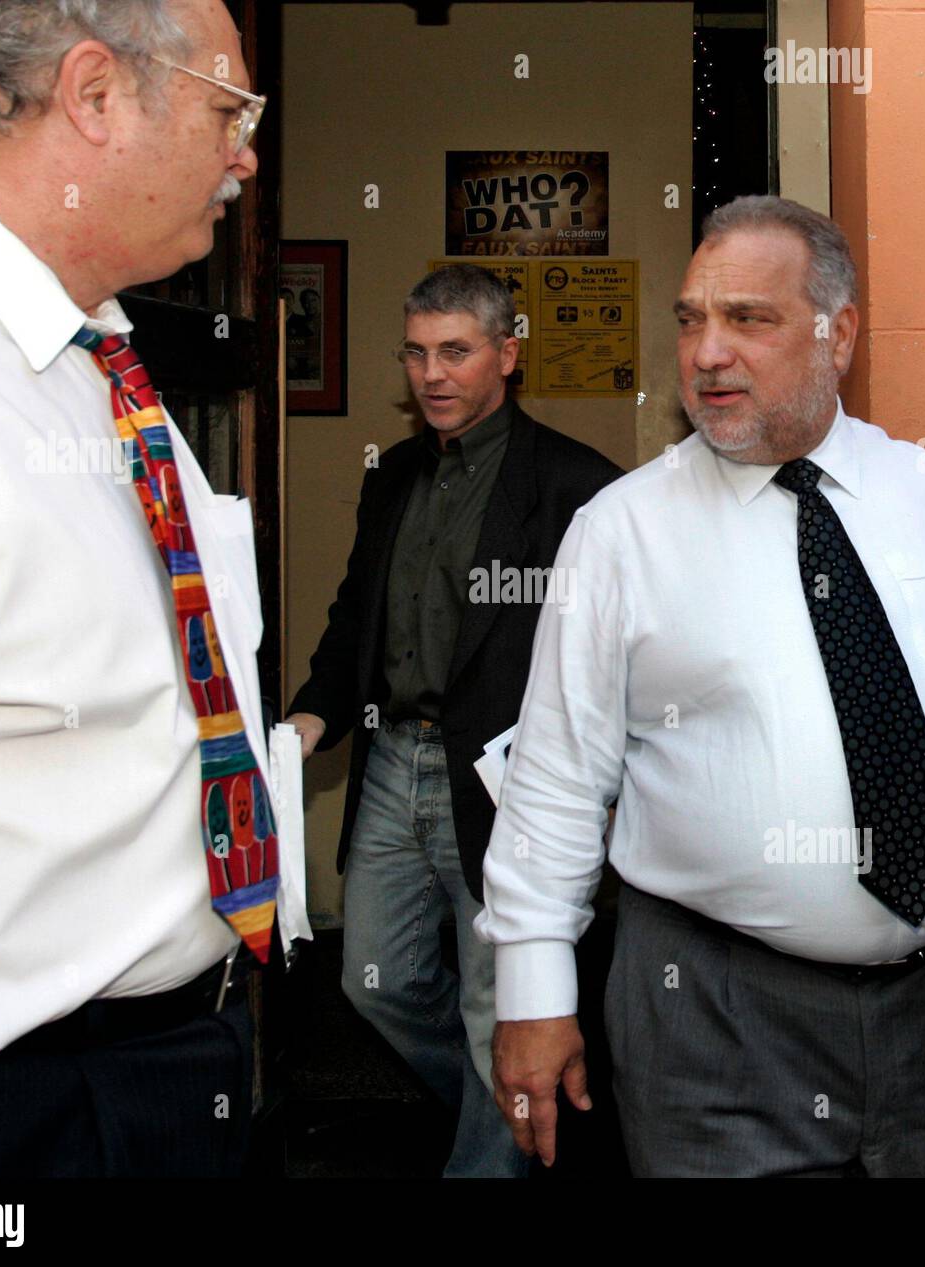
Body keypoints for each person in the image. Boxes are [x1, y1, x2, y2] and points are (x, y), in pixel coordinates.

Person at [476, 195, 925, 1177]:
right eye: (690, 319)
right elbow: (556, 775)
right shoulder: (620, 532)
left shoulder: (924, 489)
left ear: (838, 335)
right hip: (715, 1026)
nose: (707, 352)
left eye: (747, 319)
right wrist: (534, 995)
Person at [0, 0, 274, 1177]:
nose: (245, 154)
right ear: (96, 95)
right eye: (226, 110)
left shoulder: (101, 362)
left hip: (171, 1069)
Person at [286, 264, 622, 1177]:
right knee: (372, 980)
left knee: (496, 1000)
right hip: (393, 764)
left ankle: (489, 1149)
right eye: (417, 353)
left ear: (506, 355)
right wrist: (314, 714)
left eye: (456, 352)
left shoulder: (576, 485)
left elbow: (613, 650)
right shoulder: (391, 474)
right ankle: (513, 1111)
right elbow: (358, 611)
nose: (432, 374)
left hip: (507, 778)